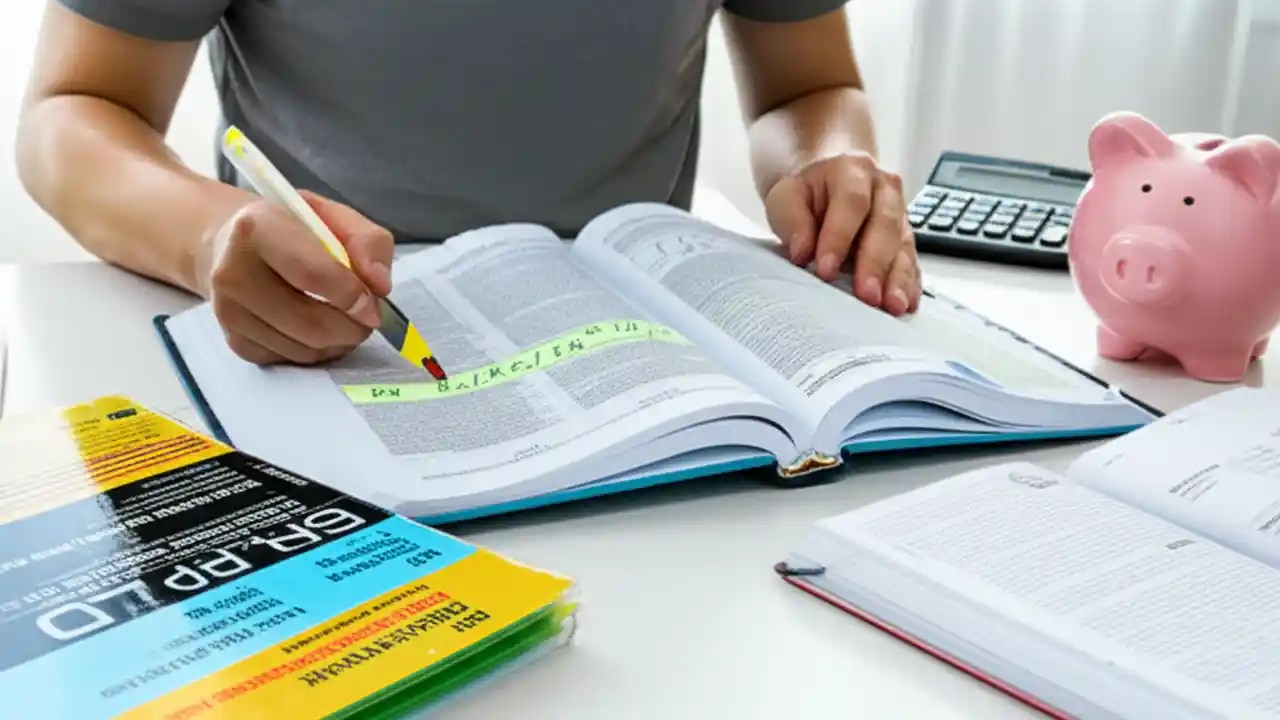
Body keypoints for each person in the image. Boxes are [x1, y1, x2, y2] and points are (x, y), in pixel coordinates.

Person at [17, 1, 921, 366]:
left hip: (647, 371)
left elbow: (808, 87)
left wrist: (821, 163)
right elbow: (73, 111)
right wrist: (210, 234)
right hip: (331, 352)